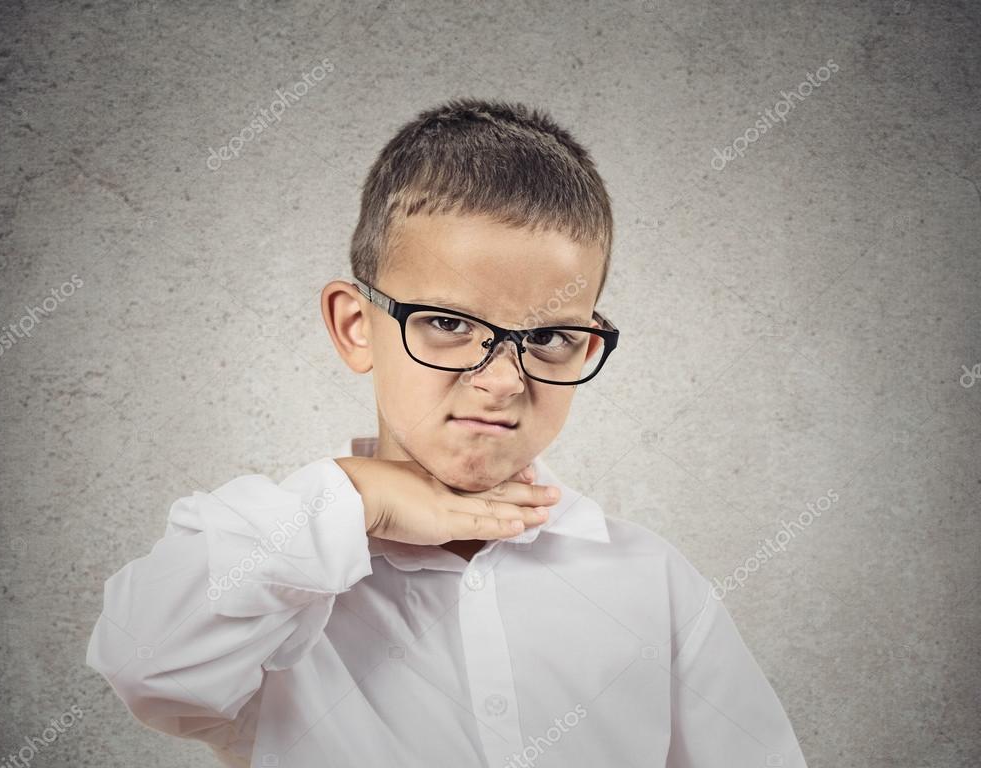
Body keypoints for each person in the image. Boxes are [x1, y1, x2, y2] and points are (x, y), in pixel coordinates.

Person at [86, 98, 808, 767]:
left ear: (589, 343)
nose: (503, 380)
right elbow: (144, 661)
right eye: (450, 324)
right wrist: (351, 495)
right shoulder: (280, 580)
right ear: (353, 326)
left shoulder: (652, 583)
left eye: (551, 335)